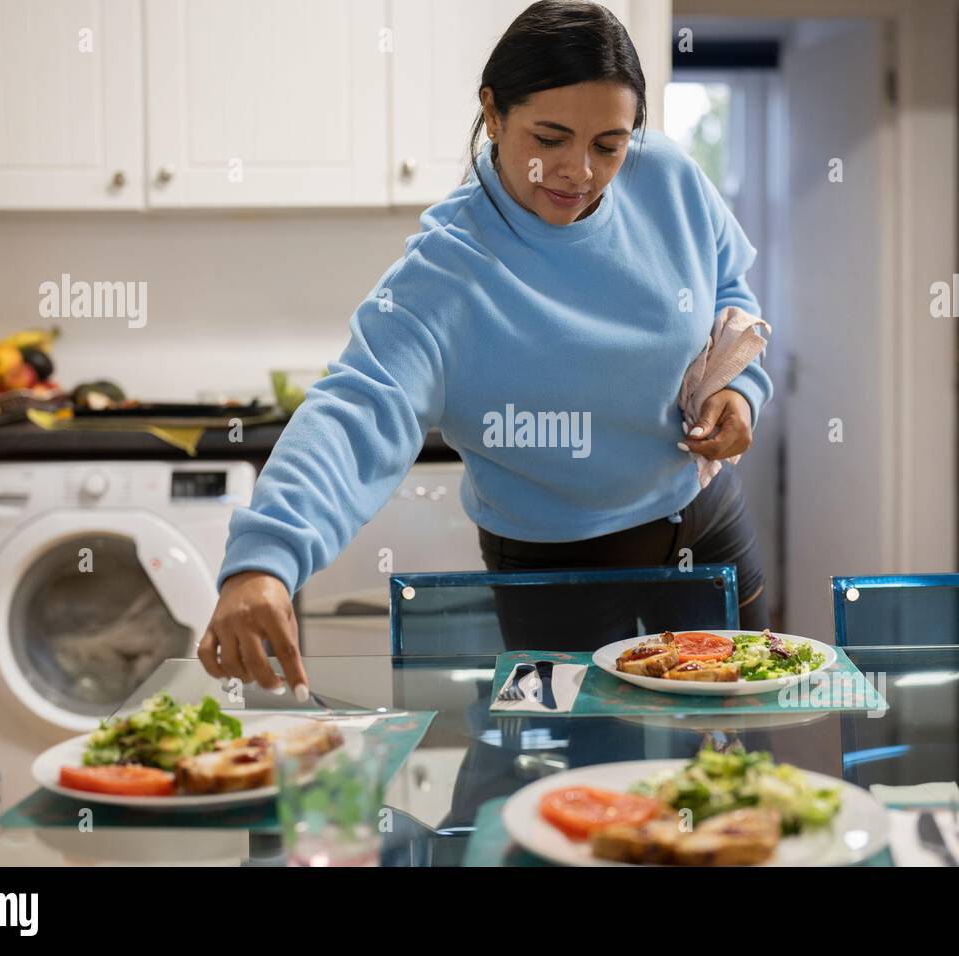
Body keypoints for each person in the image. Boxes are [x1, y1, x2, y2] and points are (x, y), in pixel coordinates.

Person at [199, 0, 772, 698]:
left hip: (705, 530)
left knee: (734, 753)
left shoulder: (670, 181)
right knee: (569, 776)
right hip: (552, 574)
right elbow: (355, 411)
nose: (578, 172)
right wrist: (264, 561)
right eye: (550, 138)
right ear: (494, 113)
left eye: (608, 145)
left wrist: (738, 389)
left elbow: (728, 293)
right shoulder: (447, 273)